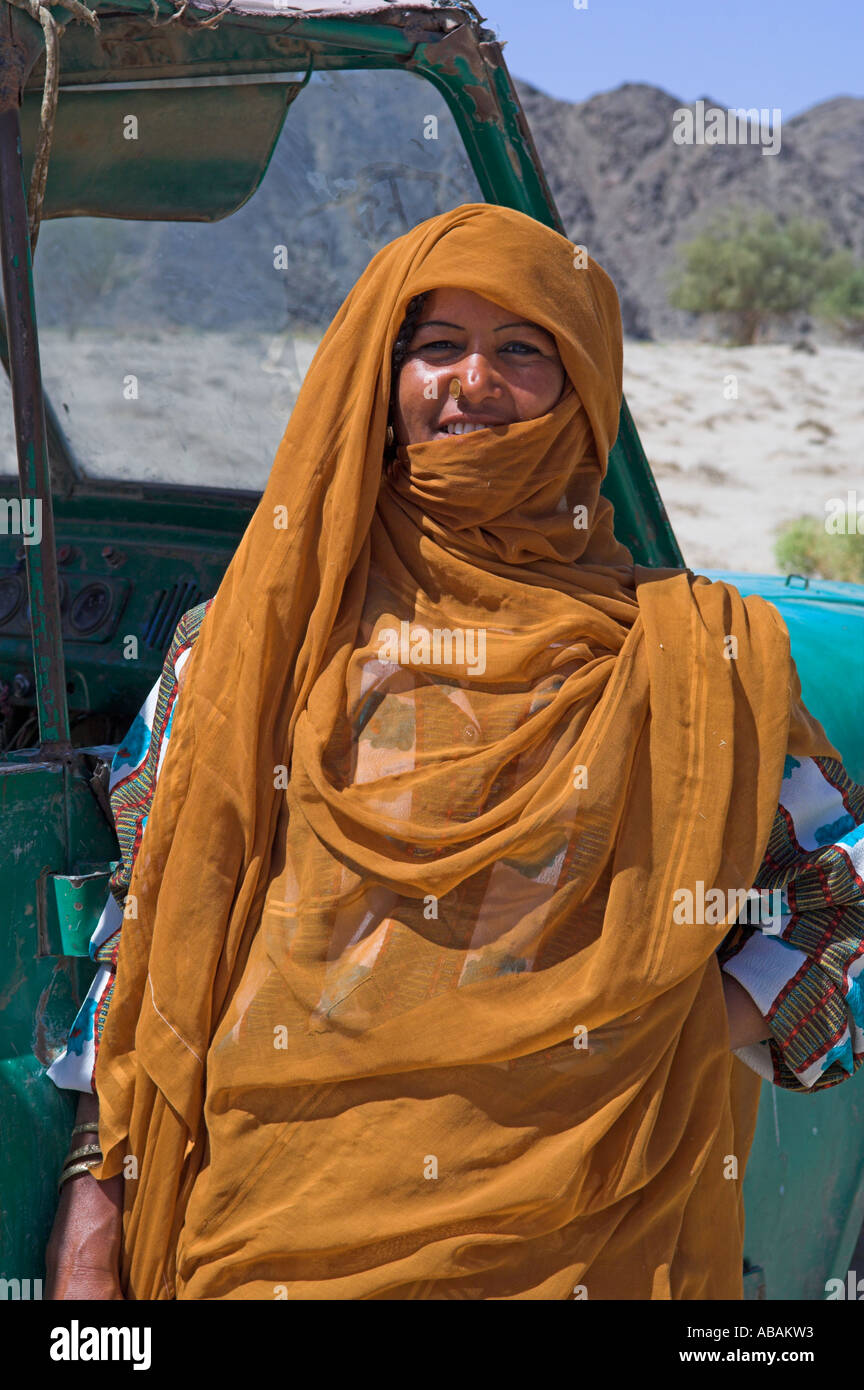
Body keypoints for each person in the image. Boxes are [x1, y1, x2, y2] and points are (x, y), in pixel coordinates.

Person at [45, 203, 864, 1301]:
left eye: (522, 350)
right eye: (438, 347)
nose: (473, 380)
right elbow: (146, 931)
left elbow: (836, 900)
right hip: (270, 1240)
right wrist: (94, 1211)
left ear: (584, 396)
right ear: (384, 386)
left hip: (585, 1248)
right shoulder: (255, 642)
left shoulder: (689, 661)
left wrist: (669, 1023)